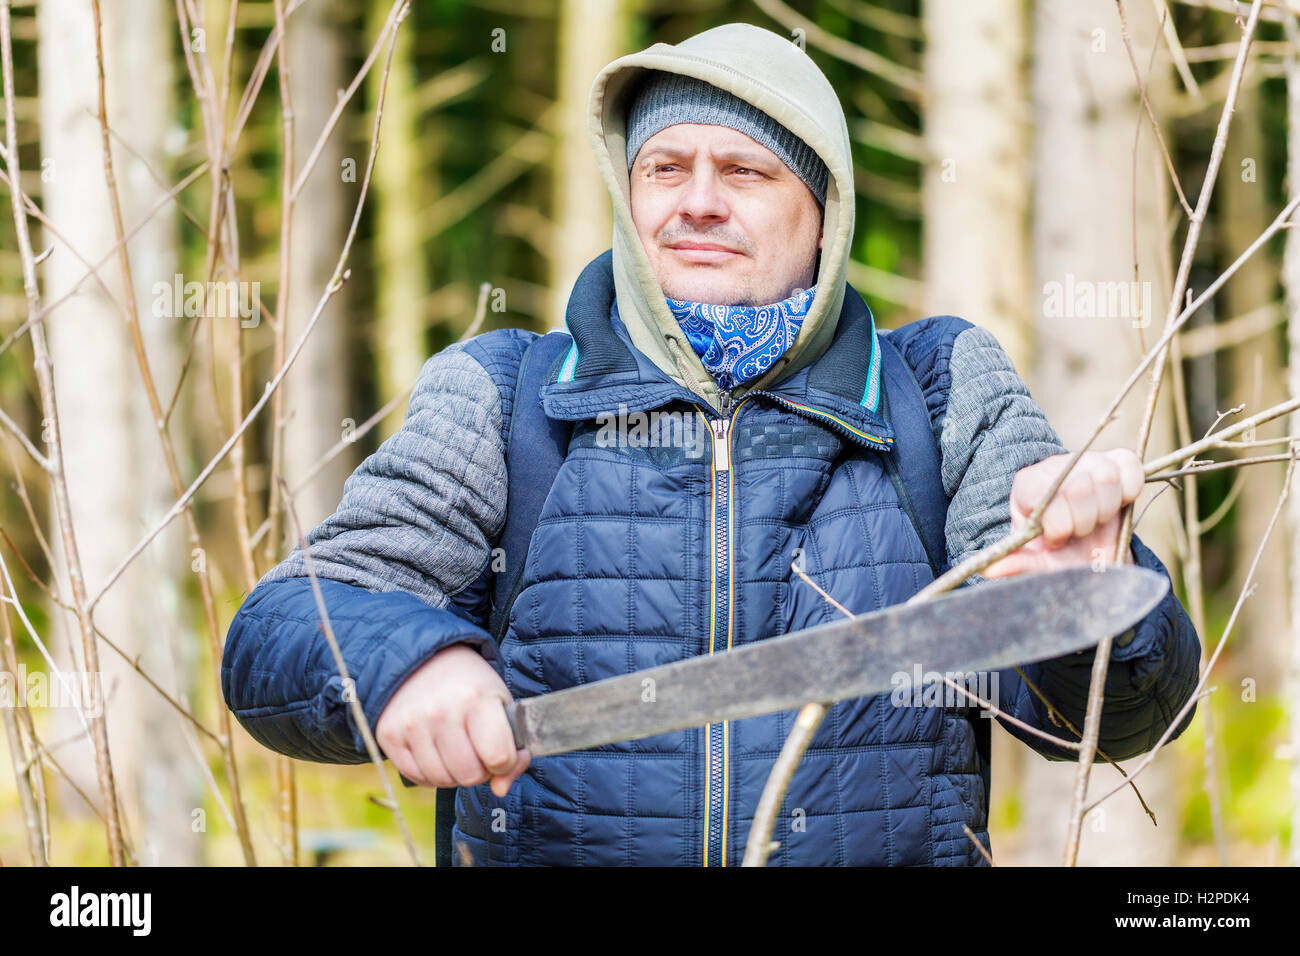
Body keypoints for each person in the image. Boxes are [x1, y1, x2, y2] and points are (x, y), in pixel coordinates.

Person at [222, 22, 1200, 866]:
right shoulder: (504, 393)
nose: (694, 201)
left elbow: (1121, 719)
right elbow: (278, 634)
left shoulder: (937, 389)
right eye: (663, 167)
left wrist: (1086, 603)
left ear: (824, 213)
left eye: (743, 170)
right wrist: (404, 658)